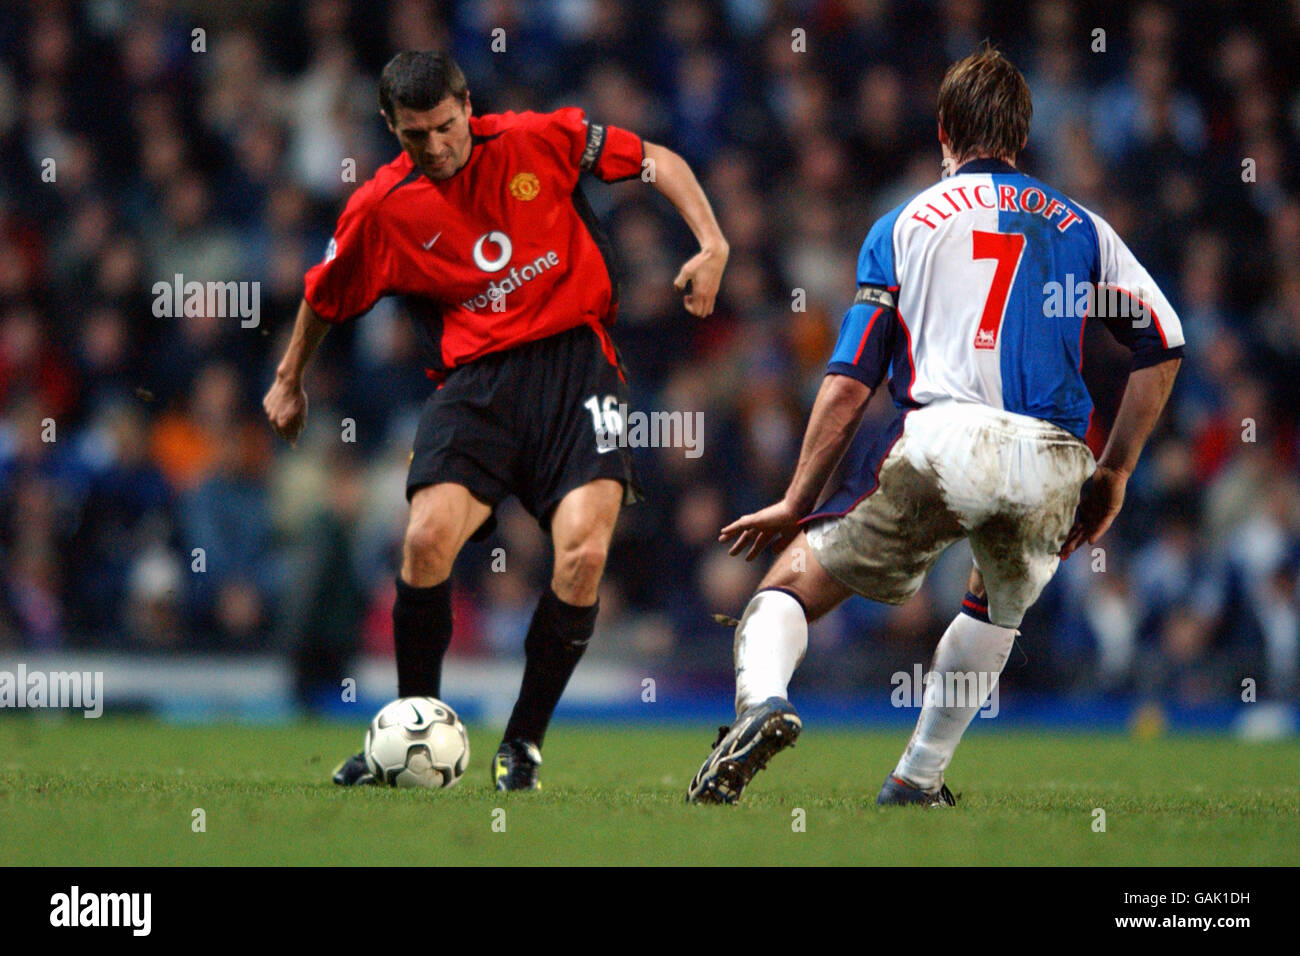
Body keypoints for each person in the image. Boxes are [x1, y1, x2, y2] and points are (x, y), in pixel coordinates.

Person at [687, 47, 1183, 806]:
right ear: (1022, 133)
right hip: (1055, 457)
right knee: (998, 604)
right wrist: (1114, 470)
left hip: (946, 441)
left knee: (788, 587)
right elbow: (1165, 341)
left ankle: (762, 705)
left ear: (944, 130)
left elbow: (850, 384)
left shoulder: (904, 224)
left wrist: (796, 498)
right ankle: (918, 778)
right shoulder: (1082, 229)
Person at [263, 51, 728, 790]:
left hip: (579, 367)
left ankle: (523, 745)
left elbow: (658, 161)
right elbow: (325, 295)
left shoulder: (538, 138)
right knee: (424, 539)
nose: (438, 146)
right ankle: (412, 731)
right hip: (475, 386)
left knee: (581, 555)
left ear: (466, 105)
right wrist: (289, 381)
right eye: (417, 136)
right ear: (392, 128)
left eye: (447, 126)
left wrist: (711, 241)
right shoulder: (383, 207)